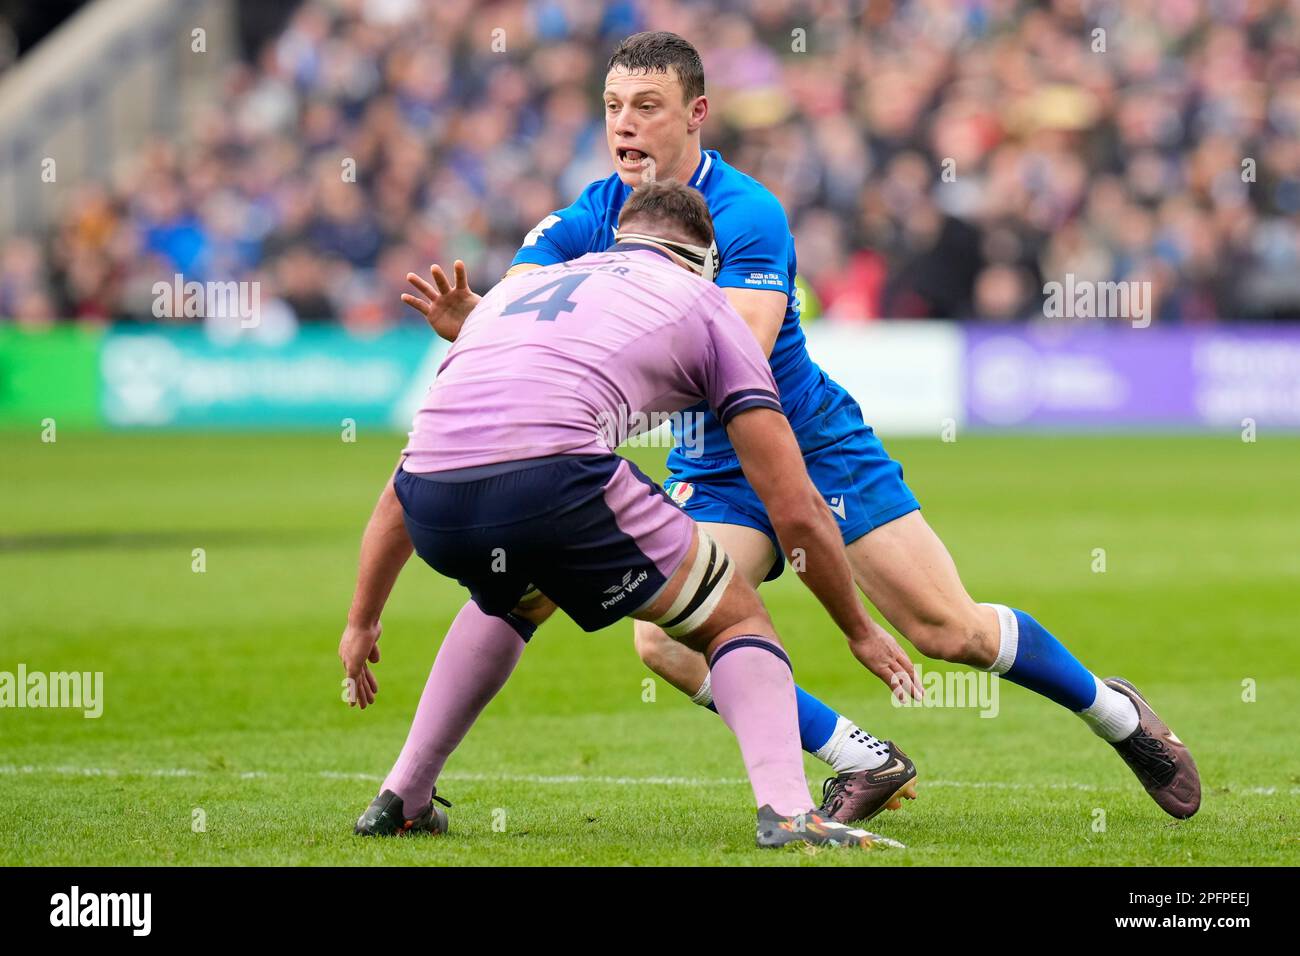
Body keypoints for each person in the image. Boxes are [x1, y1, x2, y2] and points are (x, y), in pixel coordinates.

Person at [403, 32, 1200, 822]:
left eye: (647, 106)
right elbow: (520, 321)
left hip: (811, 443)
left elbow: (737, 361)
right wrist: (478, 322)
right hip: (716, 465)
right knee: (669, 640)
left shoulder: (749, 214)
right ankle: (863, 757)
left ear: (697, 114)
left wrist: (595, 394)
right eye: (613, 107)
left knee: (945, 630)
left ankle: (1119, 718)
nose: (624, 125)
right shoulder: (589, 212)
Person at [341, 181, 919, 848]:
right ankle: (788, 815)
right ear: (705, 260)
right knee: (732, 615)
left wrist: (362, 620)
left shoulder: (515, 293)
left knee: (518, 597)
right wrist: (857, 629)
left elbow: (400, 488)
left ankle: (402, 797)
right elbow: (794, 505)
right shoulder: (705, 301)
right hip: (555, 476)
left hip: (431, 496)